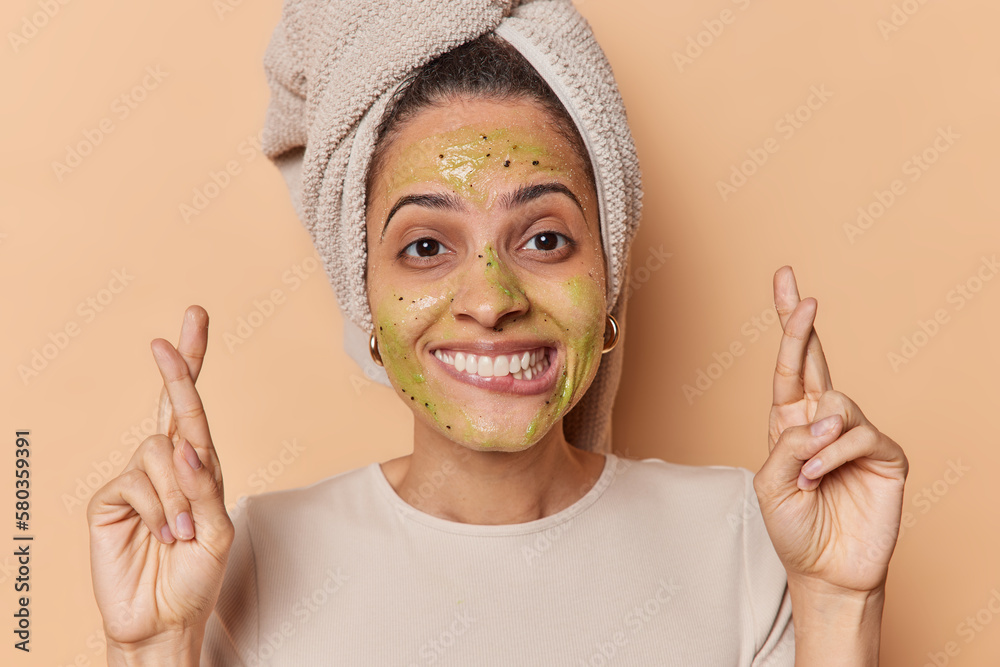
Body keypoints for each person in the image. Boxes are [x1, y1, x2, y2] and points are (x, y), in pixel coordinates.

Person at [86, 2, 908, 665]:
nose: (490, 298)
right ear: (364, 299)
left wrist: (840, 605)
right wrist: (154, 646)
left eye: (545, 238)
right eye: (426, 247)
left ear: (609, 275)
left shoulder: (745, 540)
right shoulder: (245, 560)